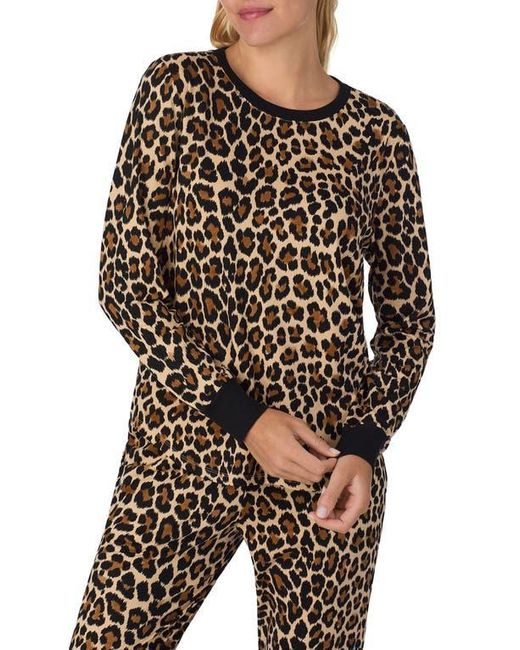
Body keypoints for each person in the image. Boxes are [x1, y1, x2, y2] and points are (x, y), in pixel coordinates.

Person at [69, 1, 436, 648]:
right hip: (179, 453)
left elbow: (410, 319)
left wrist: (363, 443)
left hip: (323, 468)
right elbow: (125, 283)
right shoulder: (178, 89)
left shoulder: (375, 134)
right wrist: (242, 416)